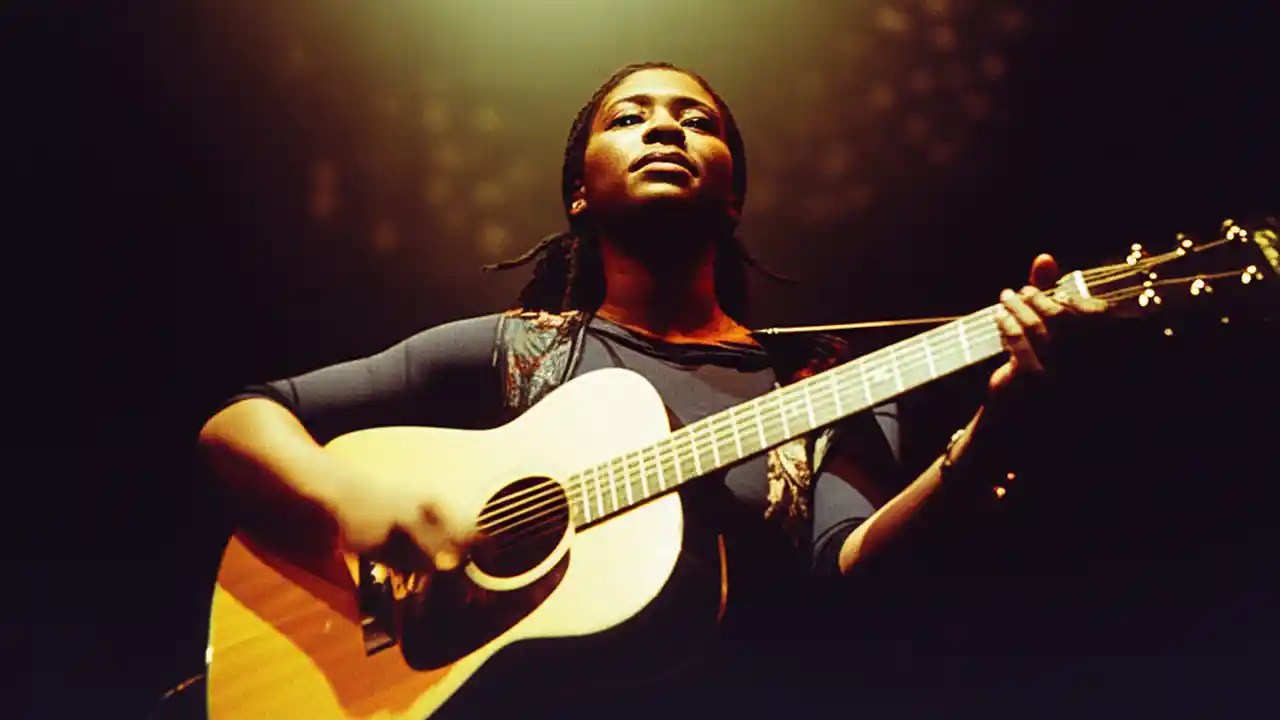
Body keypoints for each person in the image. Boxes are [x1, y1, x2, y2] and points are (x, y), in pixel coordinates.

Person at [198, 61, 1105, 714]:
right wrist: (345, 506)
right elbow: (241, 421)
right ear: (579, 194)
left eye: (696, 120)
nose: (666, 128)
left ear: (733, 197)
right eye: (630, 117)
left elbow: (849, 560)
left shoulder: (825, 380)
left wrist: (992, 433)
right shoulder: (514, 349)